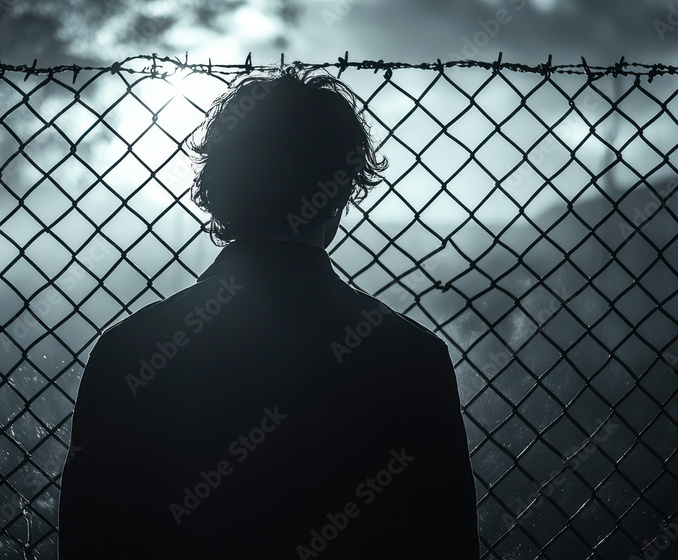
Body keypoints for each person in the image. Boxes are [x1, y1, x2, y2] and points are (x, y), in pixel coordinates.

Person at [58, 68, 479, 559]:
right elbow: (448, 542)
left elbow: (90, 538)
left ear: (218, 189)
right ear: (341, 193)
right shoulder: (413, 358)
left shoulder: (129, 351)